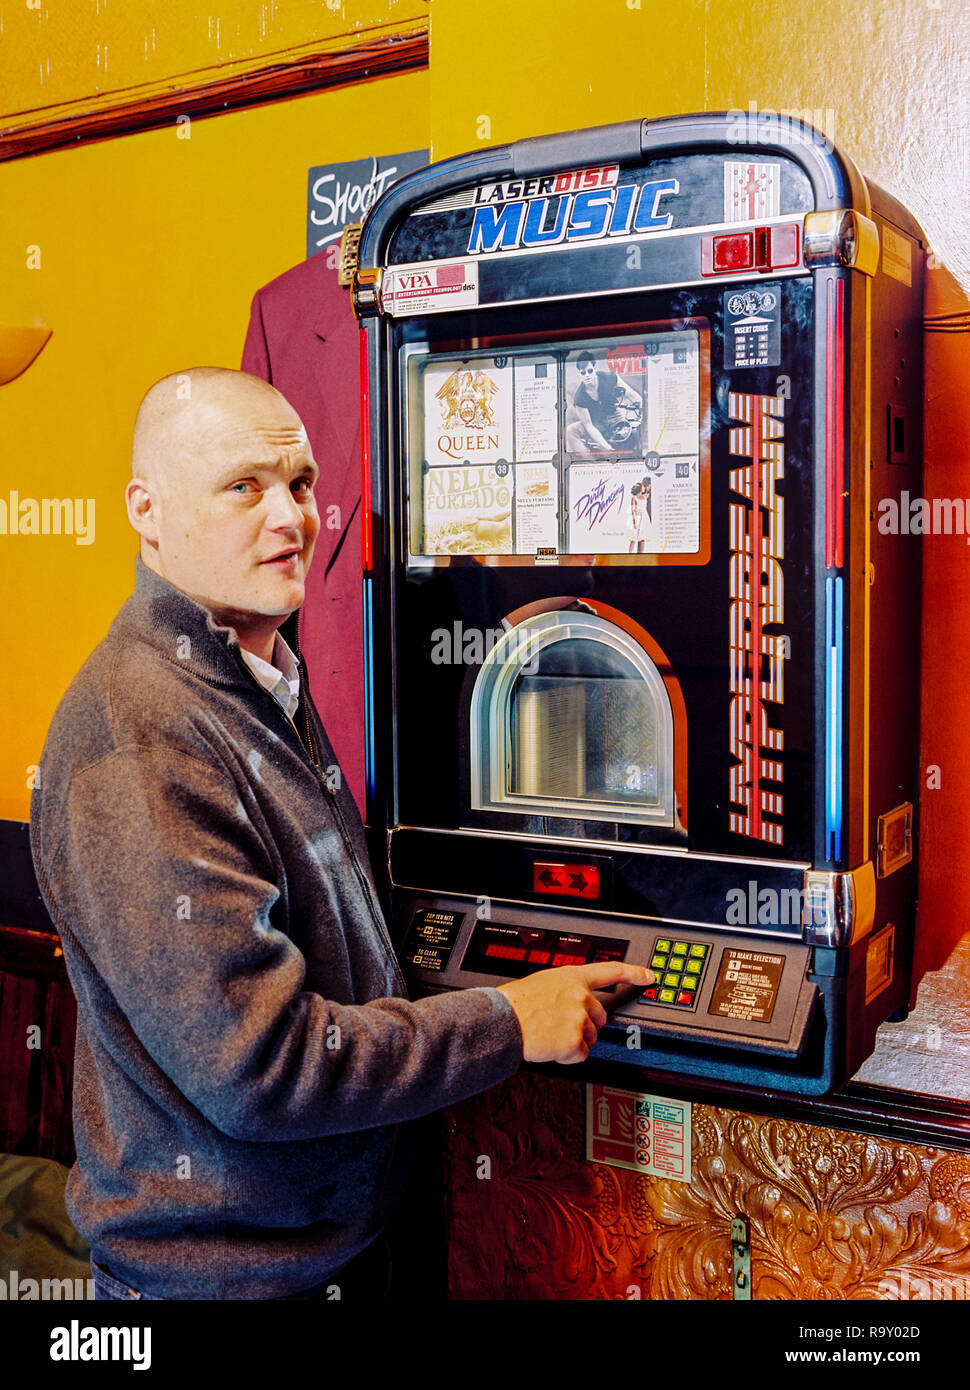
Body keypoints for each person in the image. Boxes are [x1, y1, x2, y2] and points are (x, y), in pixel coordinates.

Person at [29, 367, 651, 1301]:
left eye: (302, 484)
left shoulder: (251, 671)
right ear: (145, 510)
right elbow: (261, 1069)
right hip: (224, 1285)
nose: (291, 519)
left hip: (336, 1251)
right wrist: (505, 1021)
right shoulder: (140, 733)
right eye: (245, 486)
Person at [565, 351, 643, 455]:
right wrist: (607, 448)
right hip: (596, 423)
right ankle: (588, 462)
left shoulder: (609, 377)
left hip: (616, 416)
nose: (587, 375)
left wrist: (637, 416)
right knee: (571, 430)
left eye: (590, 371)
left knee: (633, 434)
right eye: (583, 372)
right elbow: (589, 425)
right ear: (579, 373)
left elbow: (634, 396)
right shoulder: (579, 398)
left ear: (594, 369)